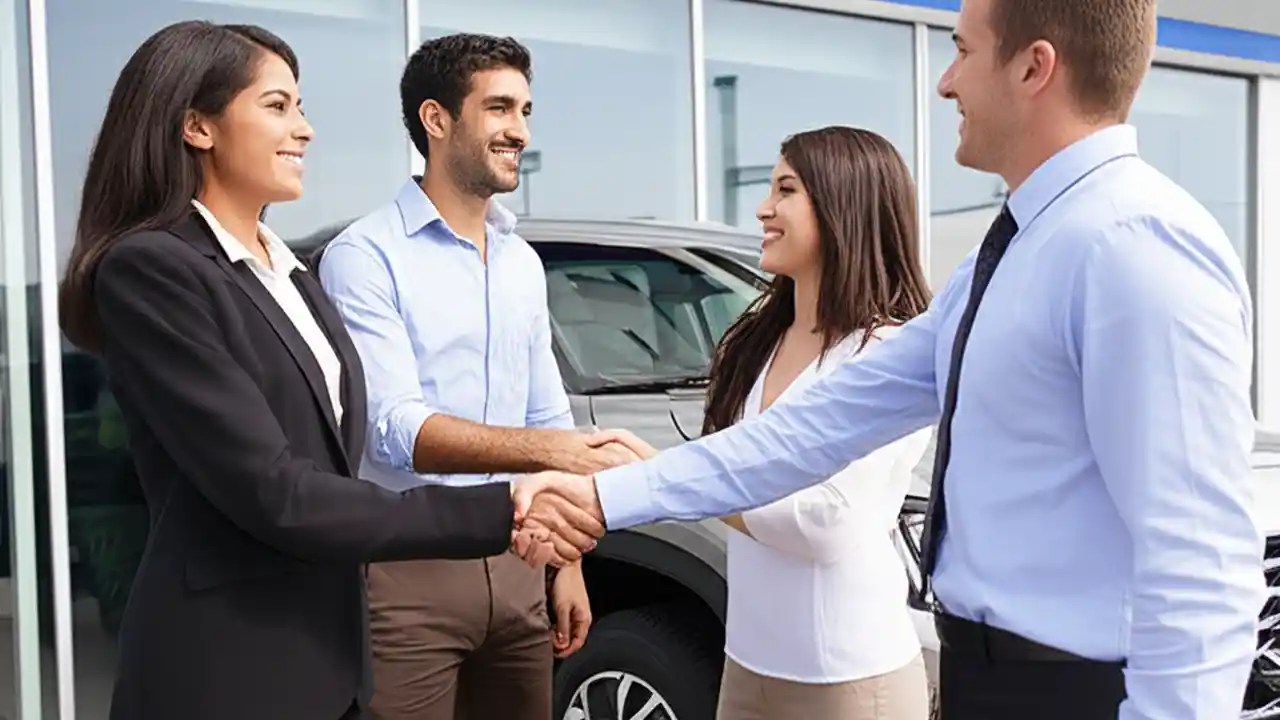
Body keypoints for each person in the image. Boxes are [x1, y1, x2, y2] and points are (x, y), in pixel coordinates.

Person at [514, 1, 1268, 719]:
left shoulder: (1134, 247)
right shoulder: (1008, 255)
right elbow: (811, 429)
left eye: (964, 51)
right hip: (988, 678)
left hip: (1077, 690)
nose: (946, 82)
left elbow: (1201, 563)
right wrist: (609, 497)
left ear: (1035, 68)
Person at [56, 21, 597, 720]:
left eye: (301, 107)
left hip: (327, 648)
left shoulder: (289, 273)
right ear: (198, 126)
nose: (304, 130)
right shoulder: (154, 270)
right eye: (278, 106)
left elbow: (332, 452)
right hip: (229, 664)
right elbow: (273, 489)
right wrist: (509, 505)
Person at [316, 33, 633, 720]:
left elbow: (547, 411)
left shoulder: (521, 260)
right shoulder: (365, 257)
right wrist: (551, 455)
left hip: (521, 562)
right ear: (437, 119)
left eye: (524, 110)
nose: (519, 130)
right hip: (409, 572)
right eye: (498, 109)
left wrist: (567, 564)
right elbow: (394, 430)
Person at [705, 126, 933, 719]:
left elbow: (825, 521)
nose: (763, 208)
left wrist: (677, 486)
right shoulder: (752, 344)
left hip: (850, 682)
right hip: (746, 665)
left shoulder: (889, 353)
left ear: (842, 206)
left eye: (785, 189)